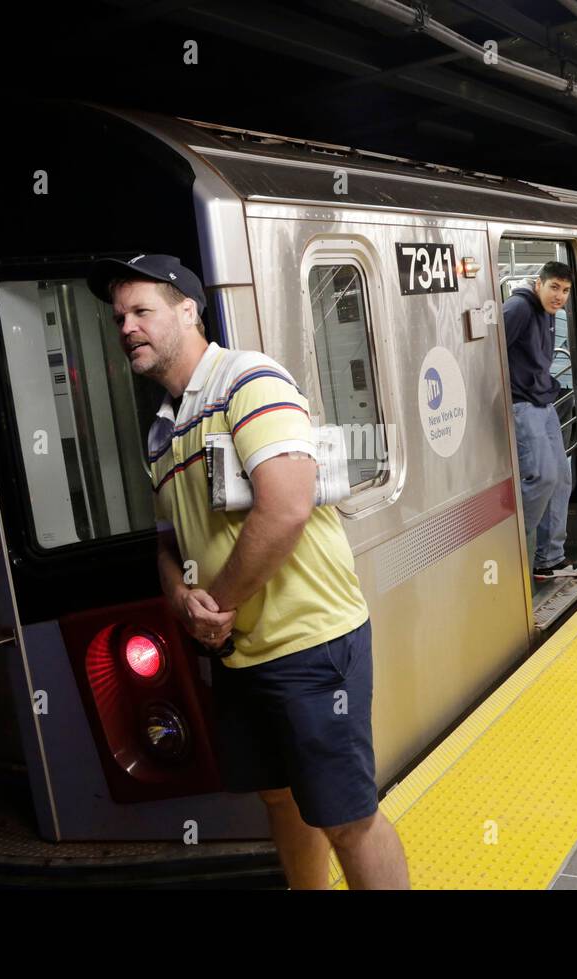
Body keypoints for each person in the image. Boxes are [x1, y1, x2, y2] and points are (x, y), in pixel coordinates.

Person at [88, 253, 409, 890]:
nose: (127, 326)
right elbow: (166, 541)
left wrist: (216, 609)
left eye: (142, 310)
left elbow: (286, 504)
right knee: (280, 799)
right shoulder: (162, 429)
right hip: (239, 653)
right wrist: (182, 599)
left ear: (188, 310)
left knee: (347, 817)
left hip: (310, 643)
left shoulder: (247, 381)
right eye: (120, 316)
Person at [504, 261, 577, 581]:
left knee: (561, 478)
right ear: (538, 283)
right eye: (554, 287)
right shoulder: (518, 308)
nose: (560, 296)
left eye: (566, 291)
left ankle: (549, 559)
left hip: (543, 402)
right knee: (541, 477)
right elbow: (489, 350)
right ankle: (507, 548)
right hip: (522, 405)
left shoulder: (549, 312)